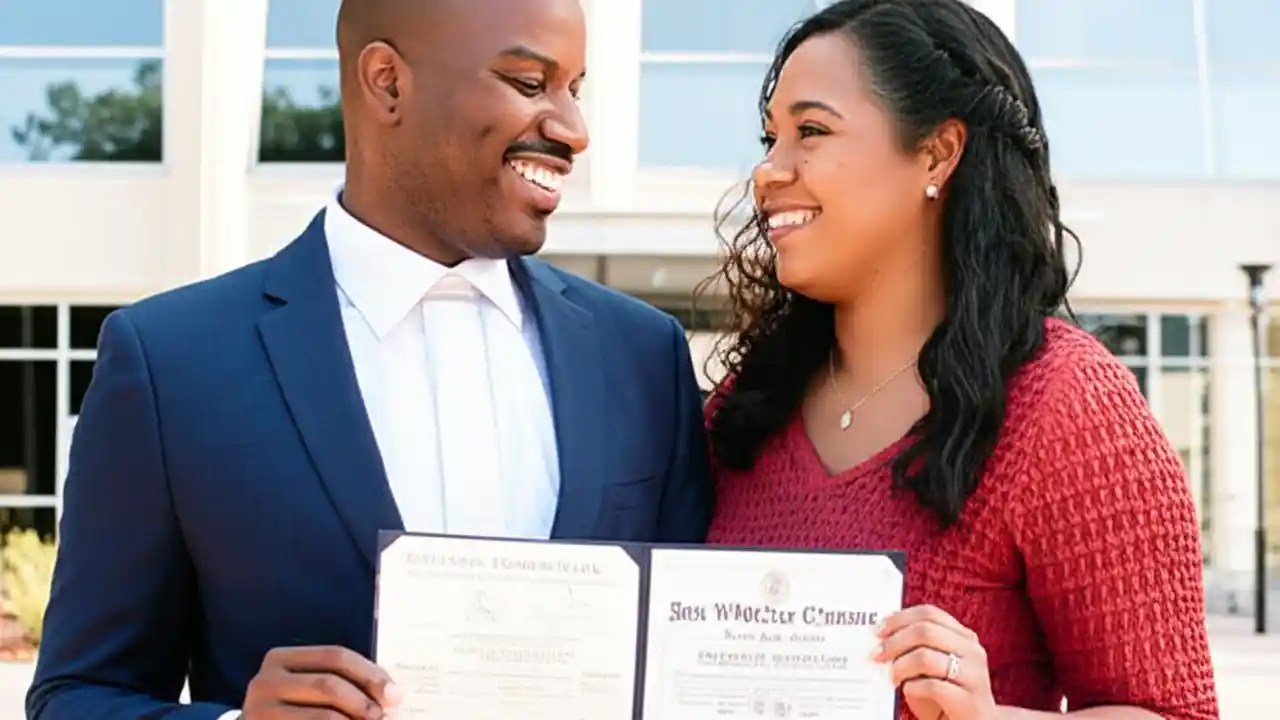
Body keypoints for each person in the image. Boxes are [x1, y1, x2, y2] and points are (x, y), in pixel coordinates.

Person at [27, 0, 712, 717]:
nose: (574, 128)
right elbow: (75, 697)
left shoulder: (643, 358)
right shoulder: (172, 363)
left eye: (577, 88)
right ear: (387, 82)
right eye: (529, 82)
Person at [700, 1, 1218, 719]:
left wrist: (986, 717)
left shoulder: (1067, 407)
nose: (767, 172)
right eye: (770, 137)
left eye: (811, 132)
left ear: (939, 153)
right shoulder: (740, 410)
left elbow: (1173, 711)